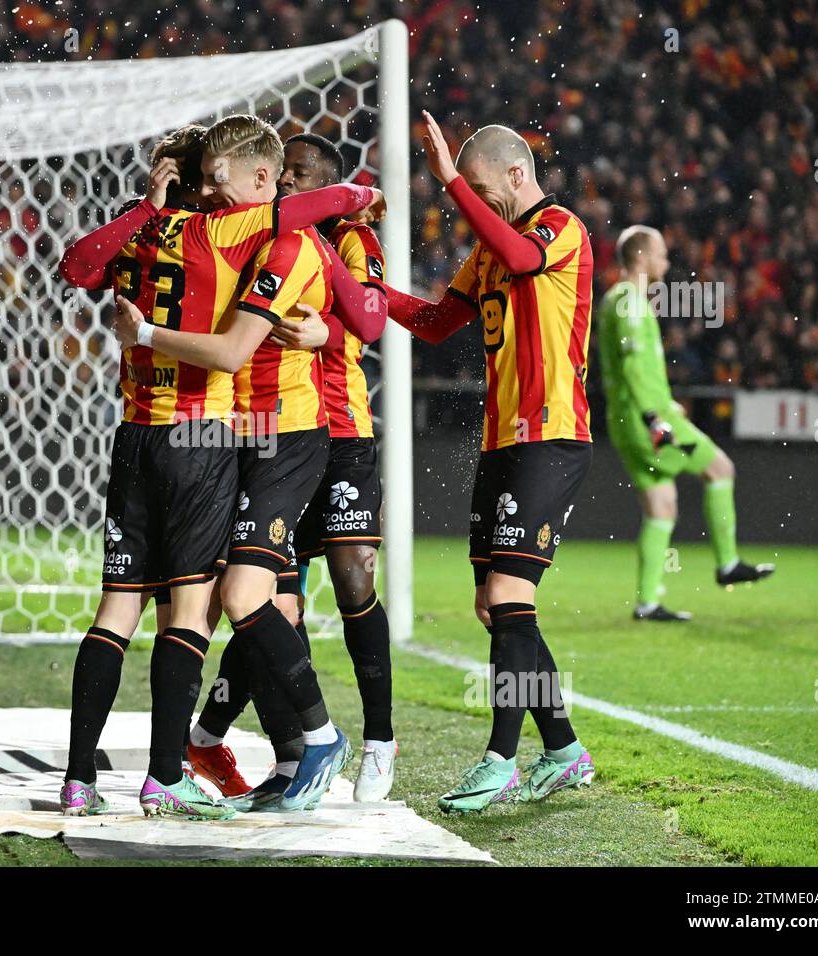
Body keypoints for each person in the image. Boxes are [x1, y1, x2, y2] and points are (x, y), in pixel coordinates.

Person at [57, 121, 381, 819]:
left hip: (137, 439)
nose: (210, 188)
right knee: (202, 610)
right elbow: (295, 214)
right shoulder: (223, 233)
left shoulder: (137, 234)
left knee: (118, 611)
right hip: (206, 439)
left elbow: (76, 268)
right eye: (205, 178)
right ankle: (172, 772)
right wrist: (354, 193)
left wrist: (143, 209)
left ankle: (80, 780)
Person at [387, 113, 595, 813]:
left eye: (481, 189)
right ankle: (563, 747)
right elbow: (435, 324)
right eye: (466, 190)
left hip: (550, 436)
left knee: (510, 599)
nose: (473, 202)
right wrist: (354, 287)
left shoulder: (558, 228)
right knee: (493, 606)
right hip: (500, 441)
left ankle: (500, 759)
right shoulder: (489, 251)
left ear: (517, 174)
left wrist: (448, 180)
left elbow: (523, 257)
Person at [186, 132, 398, 804]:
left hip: (335, 431)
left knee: (352, 578)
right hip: (262, 429)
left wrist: (327, 332)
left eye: (302, 176)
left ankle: (379, 741)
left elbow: (369, 322)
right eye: (285, 175)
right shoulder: (254, 233)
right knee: (272, 600)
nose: (288, 187)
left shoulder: (350, 241)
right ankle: (284, 757)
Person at [595, 225, 774, 621]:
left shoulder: (615, 300)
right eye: (660, 253)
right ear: (642, 257)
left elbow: (633, 369)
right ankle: (727, 562)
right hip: (649, 421)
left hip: (626, 419)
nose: (666, 261)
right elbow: (631, 366)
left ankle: (647, 603)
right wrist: (655, 415)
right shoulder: (629, 301)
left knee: (661, 507)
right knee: (720, 468)